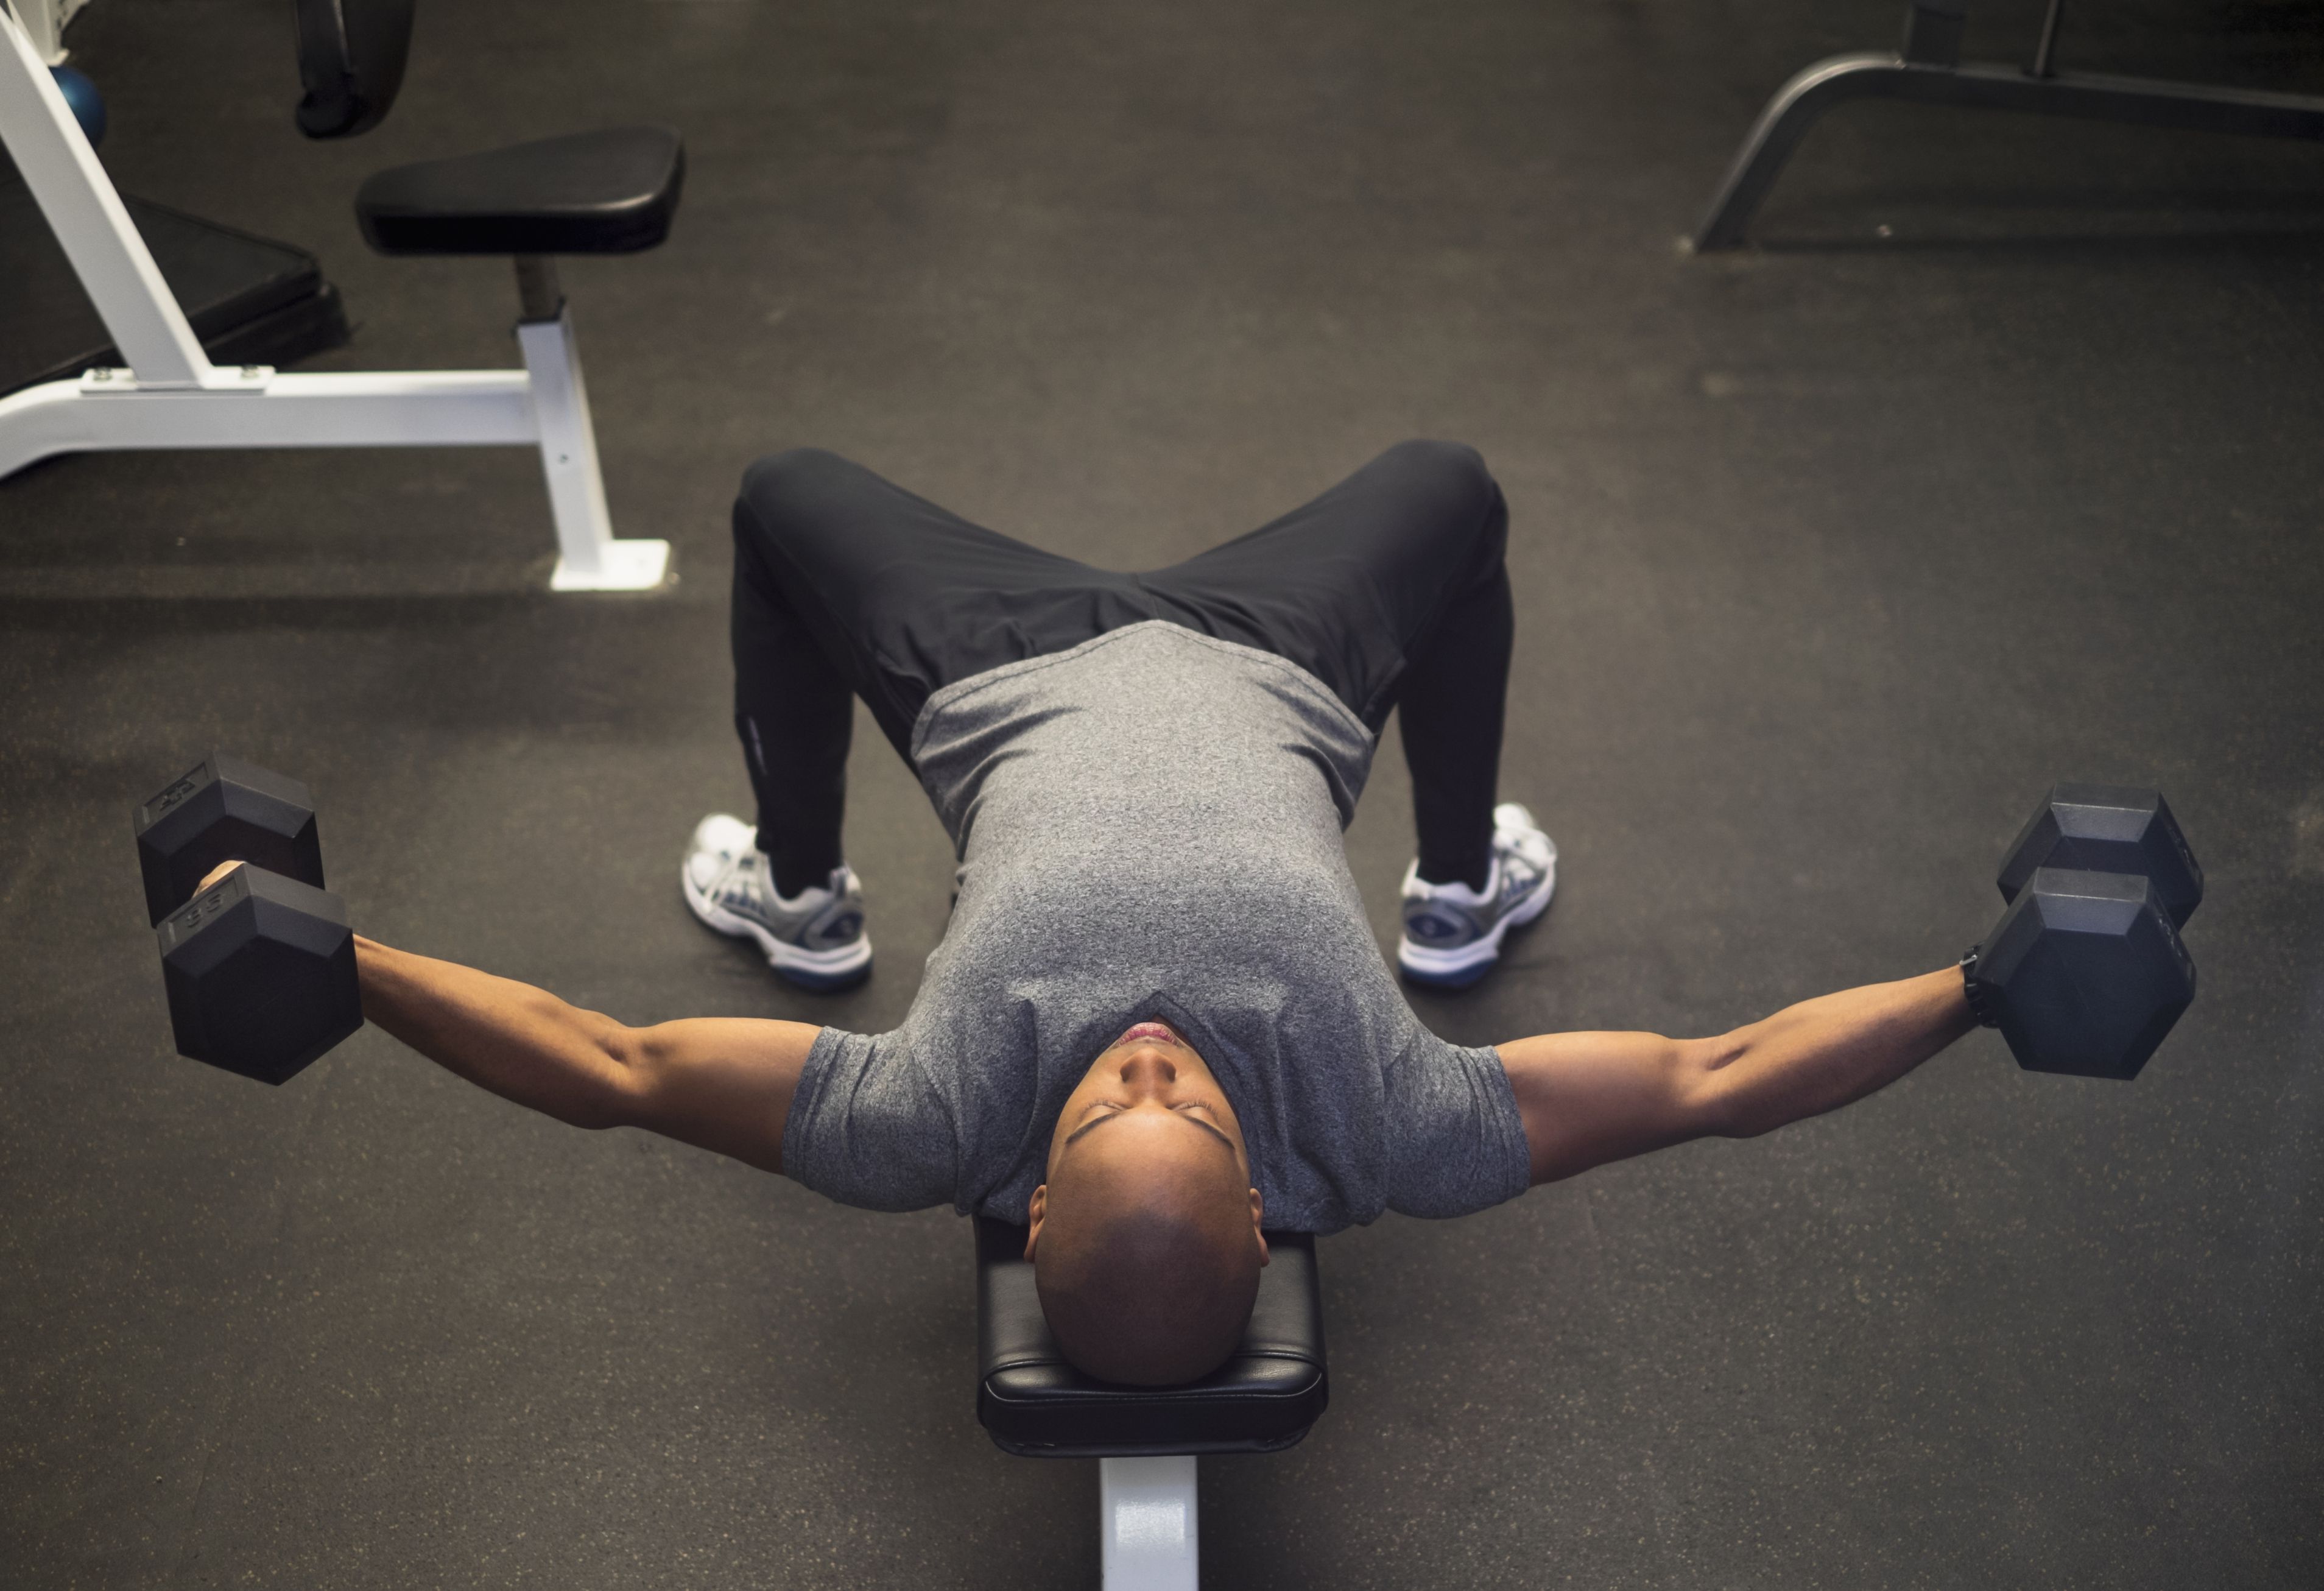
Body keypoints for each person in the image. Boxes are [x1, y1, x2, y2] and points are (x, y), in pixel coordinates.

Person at [339, 442, 1977, 1388]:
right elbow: (1722, 1077)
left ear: (1027, 1204)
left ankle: (802, 895)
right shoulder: (1391, 1122)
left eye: (1108, 1101)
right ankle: (1463, 889)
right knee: (1456, 493)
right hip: (1283, 662)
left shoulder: (928, 1117)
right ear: (1265, 1203)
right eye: (1178, 1098)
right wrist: (1982, 987)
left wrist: (347, 970)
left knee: (779, 500)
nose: (1141, 1056)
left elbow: (610, 1063)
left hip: (992, 668)